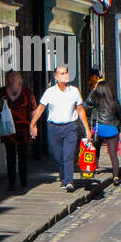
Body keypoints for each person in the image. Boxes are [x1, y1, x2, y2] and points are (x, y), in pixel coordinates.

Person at [30, 65, 91, 193]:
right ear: (56, 77)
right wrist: (33, 124)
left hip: (70, 127)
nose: (65, 75)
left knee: (68, 155)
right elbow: (41, 108)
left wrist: (87, 129)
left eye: (66, 72)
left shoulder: (74, 91)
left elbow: (80, 110)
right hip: (54, 128)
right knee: (59, 157)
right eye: (62, 73)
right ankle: (63, 177)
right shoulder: (50, 92)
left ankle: (69, 181)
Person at [0, 71, 37, 192]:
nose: (11, 79)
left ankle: (23, 180)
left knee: (23, 155)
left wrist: (33, 125)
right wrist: (0, 105)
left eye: (14, 77)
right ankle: (11, 182)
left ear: (19, 78)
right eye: (9, 77)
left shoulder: (26, 92)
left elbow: (32, 110)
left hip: (22, 128)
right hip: (8, 128)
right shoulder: (2, 92)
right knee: (10, 156)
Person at [84, 74, 121, 185]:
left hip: (99, 129)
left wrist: (93, 90)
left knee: (95, 148)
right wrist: (117, 126)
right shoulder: (114, 102)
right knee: (113, 155)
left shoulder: (96, 101)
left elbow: (86, 104)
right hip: (112, 130)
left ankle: (95, 168)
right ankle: (116, 177)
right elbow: (120, 116)